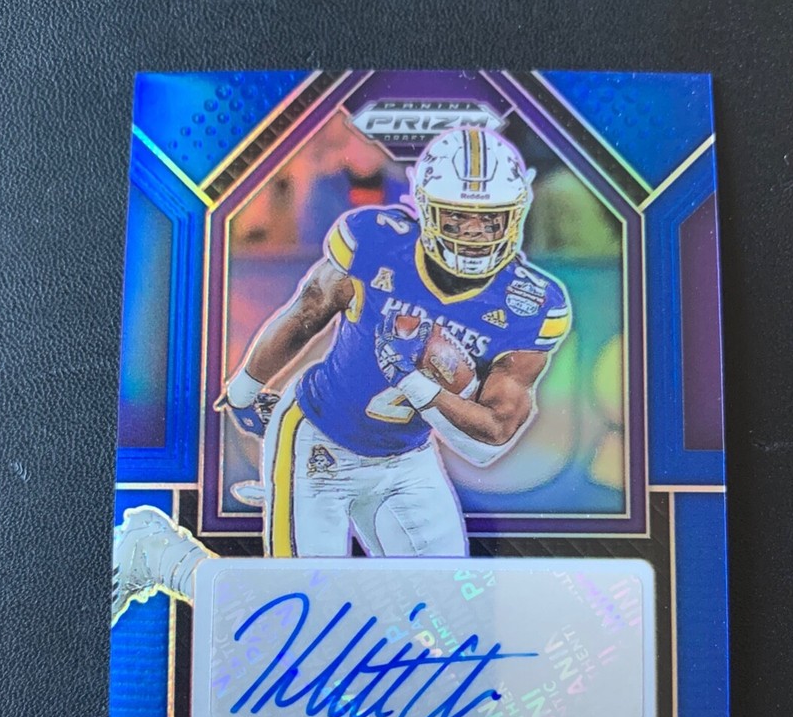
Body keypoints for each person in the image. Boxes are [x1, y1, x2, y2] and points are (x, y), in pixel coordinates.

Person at [112, 127, 571, 625]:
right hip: (320, 437)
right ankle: (160, 555)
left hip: (407, 458)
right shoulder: (376, 243)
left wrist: (417, 384)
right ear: (425, 207)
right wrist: (245, 389)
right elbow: (309, 310)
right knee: (300, 619)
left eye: (489, 219)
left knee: (448, 613)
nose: (474, 234)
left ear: (516, 213)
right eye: (457, 216)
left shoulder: (531, 303)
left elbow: (493, 434)